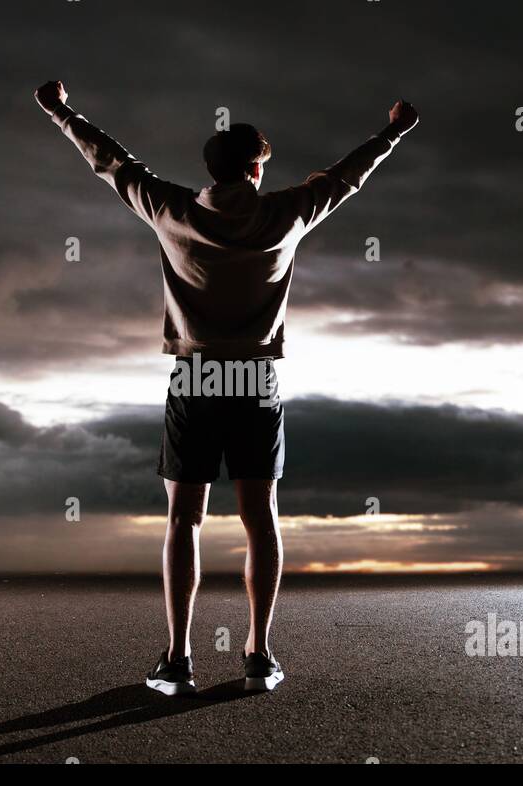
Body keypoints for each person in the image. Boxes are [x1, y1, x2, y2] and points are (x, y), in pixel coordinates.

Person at [34, 79, 418, 694]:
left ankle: (178, 659)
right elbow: (348, 175)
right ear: (256, 168)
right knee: (259, 518)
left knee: (183, 518)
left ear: (211, 169)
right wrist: (394, 129)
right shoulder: (285, 213)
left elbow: (109, 159)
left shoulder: (172, 210)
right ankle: (258, 656)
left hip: (196, 373)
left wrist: (59, 110)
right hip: (256, 378)